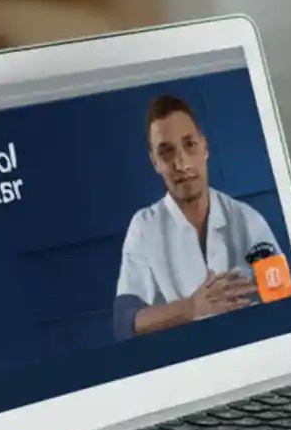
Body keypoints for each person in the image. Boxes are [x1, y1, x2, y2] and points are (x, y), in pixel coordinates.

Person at [114, 95, 282, 340]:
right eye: (166, 152)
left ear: (205, 147)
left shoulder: (247, 219)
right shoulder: (144, 227)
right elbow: (124, 323)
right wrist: (192, 308)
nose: (181, 164)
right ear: (154, 162)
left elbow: (282, 295)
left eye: (189, 145)